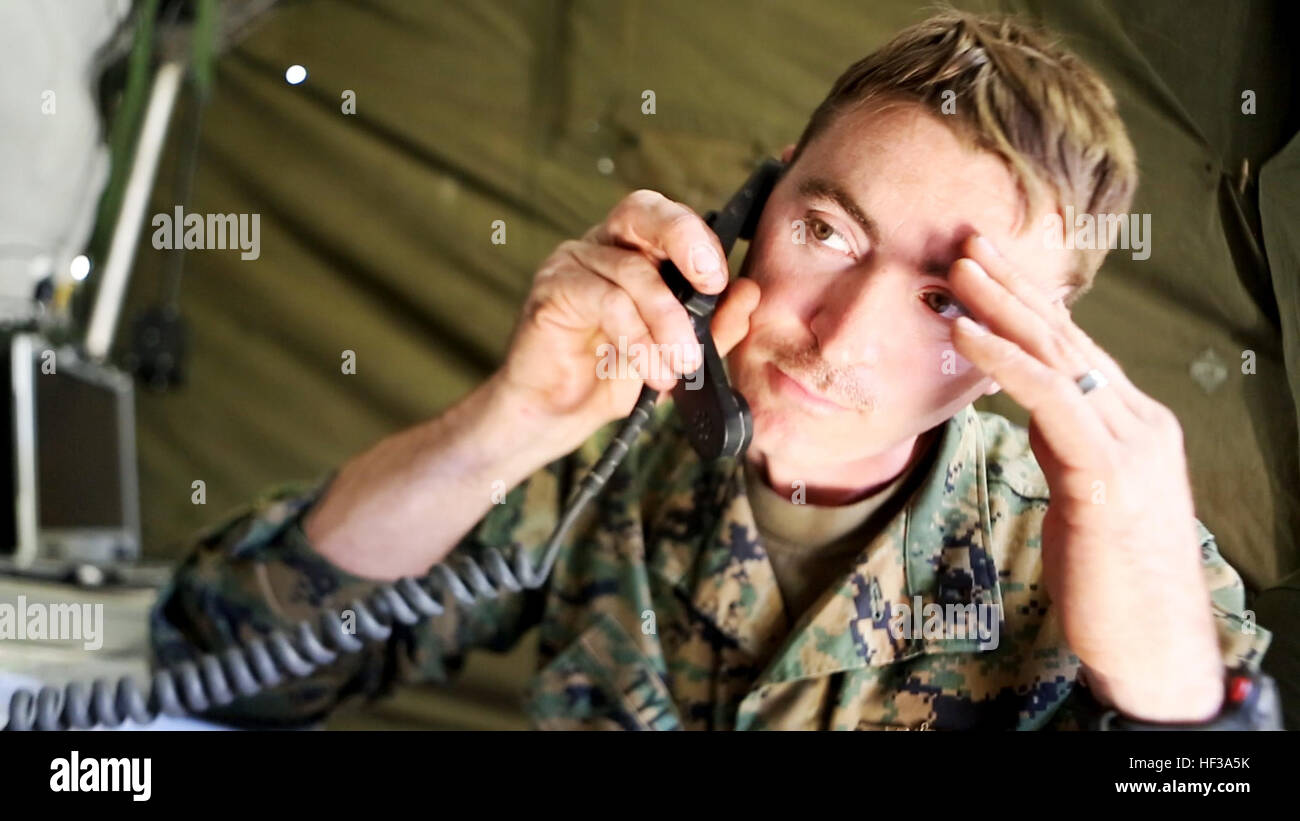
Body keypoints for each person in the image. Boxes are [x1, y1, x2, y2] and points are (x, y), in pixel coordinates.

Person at [149, 9, 1271, 730]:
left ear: (1038, 338)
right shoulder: (615, 443)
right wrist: (507, 422)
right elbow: (229, 658)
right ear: (754, 205)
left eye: (944, 297)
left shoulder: (1113, 554)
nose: (836, 336)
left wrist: (1169, 690)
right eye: (825, 233)